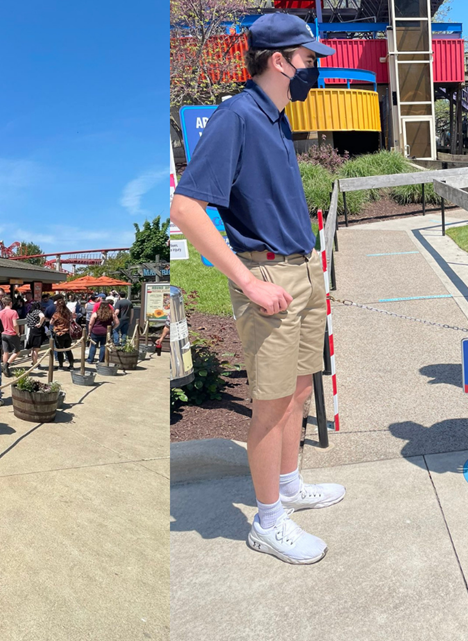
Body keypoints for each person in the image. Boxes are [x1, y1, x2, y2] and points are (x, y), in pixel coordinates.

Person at [170, 13, 345, 564]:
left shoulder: (273, 118)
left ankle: (288, 485)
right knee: (270, 404)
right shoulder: (238, 117)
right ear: (280, 61)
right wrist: (247, 280)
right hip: (267, 276)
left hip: (300, 270)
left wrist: (311, 272)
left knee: (295, 390)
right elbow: (185, 207)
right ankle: (268, 520)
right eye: (307, 59)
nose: (313, 68)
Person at [50, 297, 77, 371]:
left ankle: (60, 366)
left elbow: (51, 322)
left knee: (59, 350)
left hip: (59, 333)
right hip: (67, 333)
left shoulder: (56, 314)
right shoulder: (68, 312)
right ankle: (71, 365)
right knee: (68, 349)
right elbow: (72, 320)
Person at [0, 295, 21, 376]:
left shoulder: (0, 312)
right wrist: (17, 332)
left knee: (5, 351)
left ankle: (5, 368)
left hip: (3, 333)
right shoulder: (13, 312)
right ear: (10, 303)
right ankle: (7, 365)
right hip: (12, 333)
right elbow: (15, 324)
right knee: (17, 351)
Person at [23, 300, 47, 365]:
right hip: (37, 331)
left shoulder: (29, 313)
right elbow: (42, 316)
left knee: (33, 348)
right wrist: (40, 323)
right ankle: (35, 364)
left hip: (30, 331)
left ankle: (34, 362)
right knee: (36, 349)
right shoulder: (37, 311)